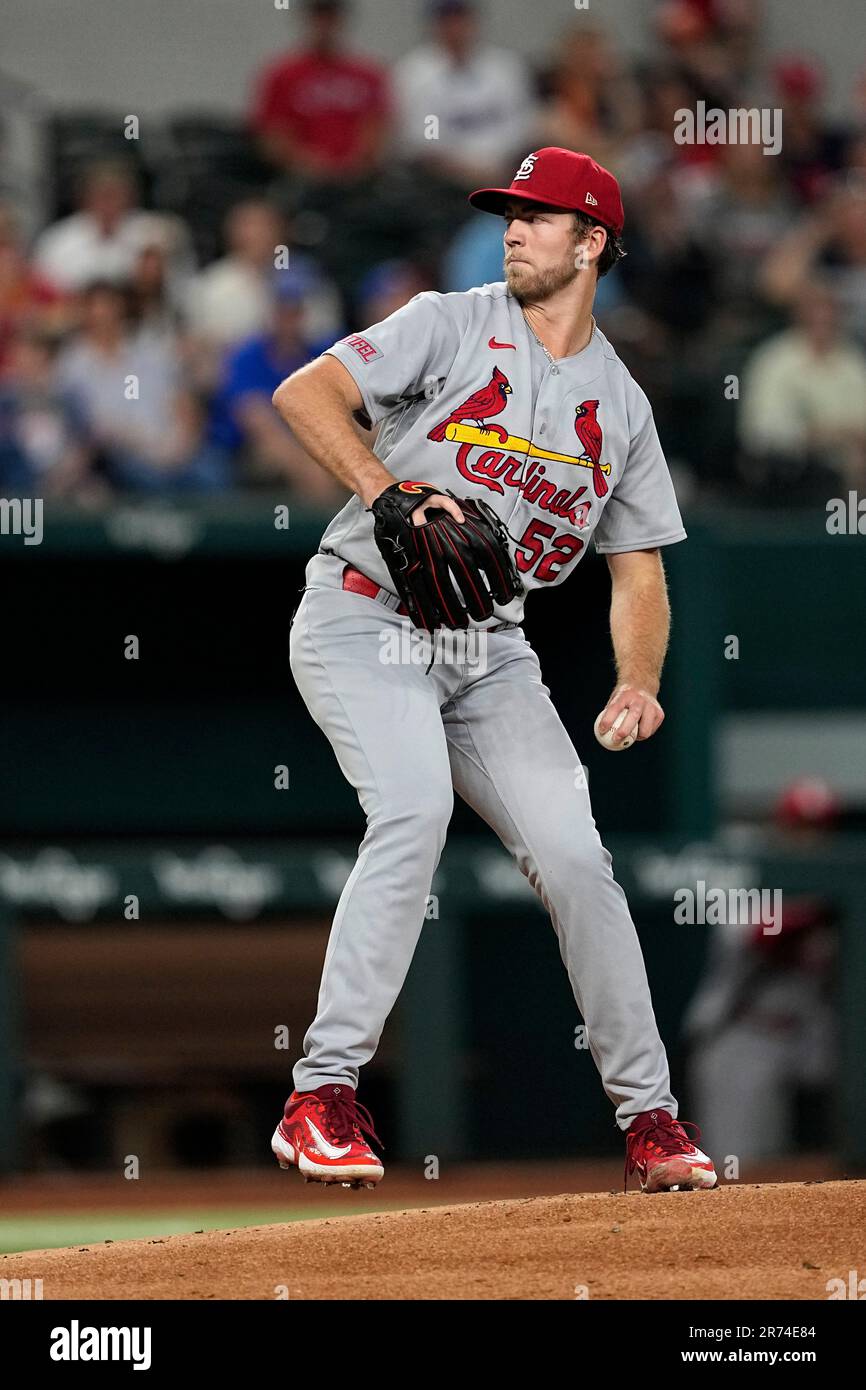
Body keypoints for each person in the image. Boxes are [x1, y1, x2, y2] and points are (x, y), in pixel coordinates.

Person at [269, 147, 718, 1194]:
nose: (512, 230)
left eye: (538, 215)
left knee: (575, 856)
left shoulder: (621, 405)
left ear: (593, 242)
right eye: (508, 214)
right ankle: (320, 1094)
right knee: (414, 808)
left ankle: (649, 1118)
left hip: (488, 652)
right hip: (361, 613)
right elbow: (305, 394)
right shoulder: (450, 319)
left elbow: (637, 572)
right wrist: (383, 489)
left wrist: (636, 679)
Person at [56, 280, 228, 494]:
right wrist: (144, 448)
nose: (103, 314)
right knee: (150, 480)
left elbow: (182, 401)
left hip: (171, 446)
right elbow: (90, 425)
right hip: (120, 454)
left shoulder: (150, 352)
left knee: (213, 472)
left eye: (110, 306)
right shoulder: (73, 363)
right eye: (96, 307)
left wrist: (181, 445)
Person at [210, 268, 345, 500]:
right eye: (282, 310)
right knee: (270, 448)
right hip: (250, 452)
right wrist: (312, 467)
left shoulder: (320, 352)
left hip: (315, 445)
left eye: (294, 311)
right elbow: (256, 421)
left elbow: (344, 409)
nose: (288, 319)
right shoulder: (247, 355)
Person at [737, 283, 866, 498]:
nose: (823, 320)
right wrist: (820, 436)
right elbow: (761, 431)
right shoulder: (774, 360)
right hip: (792, 468)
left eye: (829, 312)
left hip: (851, 463)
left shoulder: (852, 361)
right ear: (799, 315)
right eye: (815, 312)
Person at [250, 0, 390, 184]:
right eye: (319, 14)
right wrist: (311, 163)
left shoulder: (368, 74)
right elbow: (272, 138)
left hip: (359, 180)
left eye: (331, 14)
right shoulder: (281, 75)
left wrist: (354, 163)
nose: (325, 23)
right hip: (299, 179)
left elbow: (377, 128)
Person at [32, 161, 195, 302]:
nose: (108, 204)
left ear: (131, 198)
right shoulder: (57, 241)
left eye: (115, 195)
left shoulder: (154, 233)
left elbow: (180, 287)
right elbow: (44, 297)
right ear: (84, 199)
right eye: (102, 196)